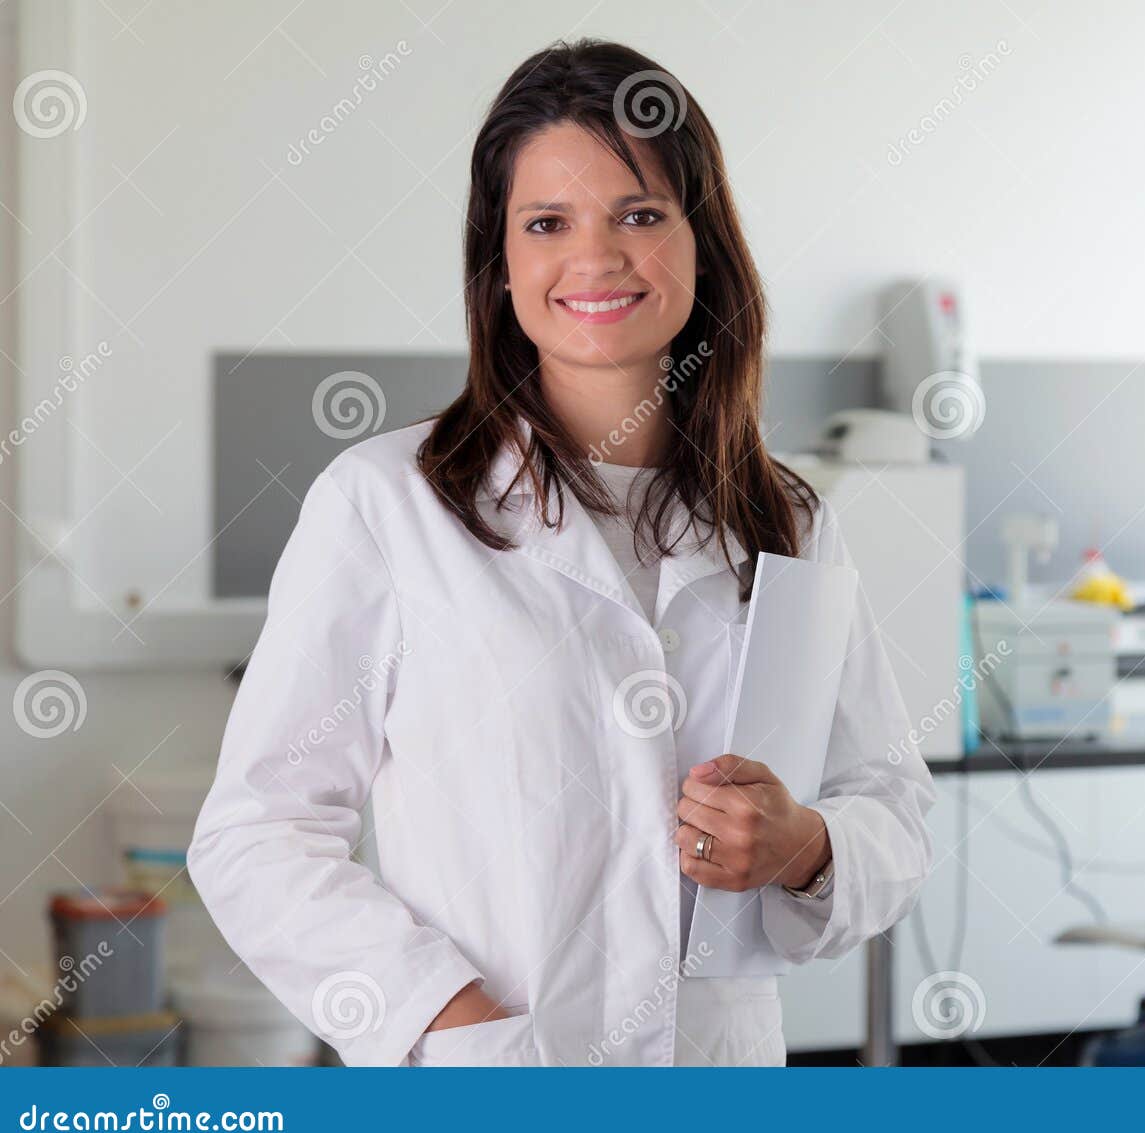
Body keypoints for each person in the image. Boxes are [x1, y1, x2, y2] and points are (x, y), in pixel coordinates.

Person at [188, 37, 935, 1068]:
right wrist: (443, 1014)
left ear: (701, 243)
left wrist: (805, 844)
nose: (596, 258)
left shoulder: (787, 517)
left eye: (640, 214)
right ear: (502, 265)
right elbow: (256, 832)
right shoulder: (386, 506)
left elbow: (890, 805)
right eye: (547, 222)